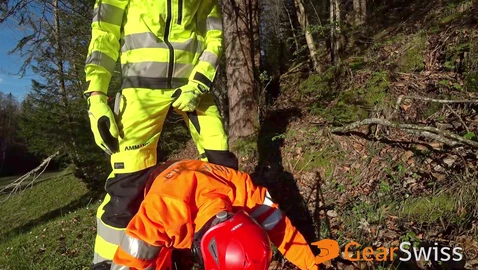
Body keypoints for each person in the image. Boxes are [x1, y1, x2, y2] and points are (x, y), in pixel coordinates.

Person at [83, 0, 238, 268]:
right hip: (139, 91)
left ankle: (215, 252)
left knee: (222, 170)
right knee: (127, 185)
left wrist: (199, 83)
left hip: (193, 88)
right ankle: (108, 263)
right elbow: (104, 35)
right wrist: (96, 97)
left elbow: (214, 35)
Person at [109, 159, 319, 270]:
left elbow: (283, 230)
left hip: (199, 175)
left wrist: (312, 267)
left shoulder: (245, 191)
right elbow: (131, 262)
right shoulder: (163, 210)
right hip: (160, 181)